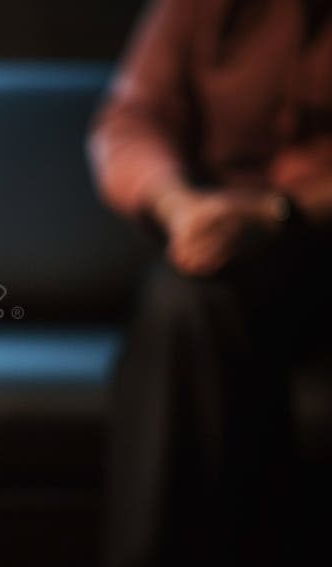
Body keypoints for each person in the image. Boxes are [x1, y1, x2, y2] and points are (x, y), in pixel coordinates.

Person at [88, 0, 332, 565]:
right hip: (226, 255)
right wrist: (178, 206)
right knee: (185, 298)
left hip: (318, 239)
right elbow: (129, 121)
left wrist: (276, 210)